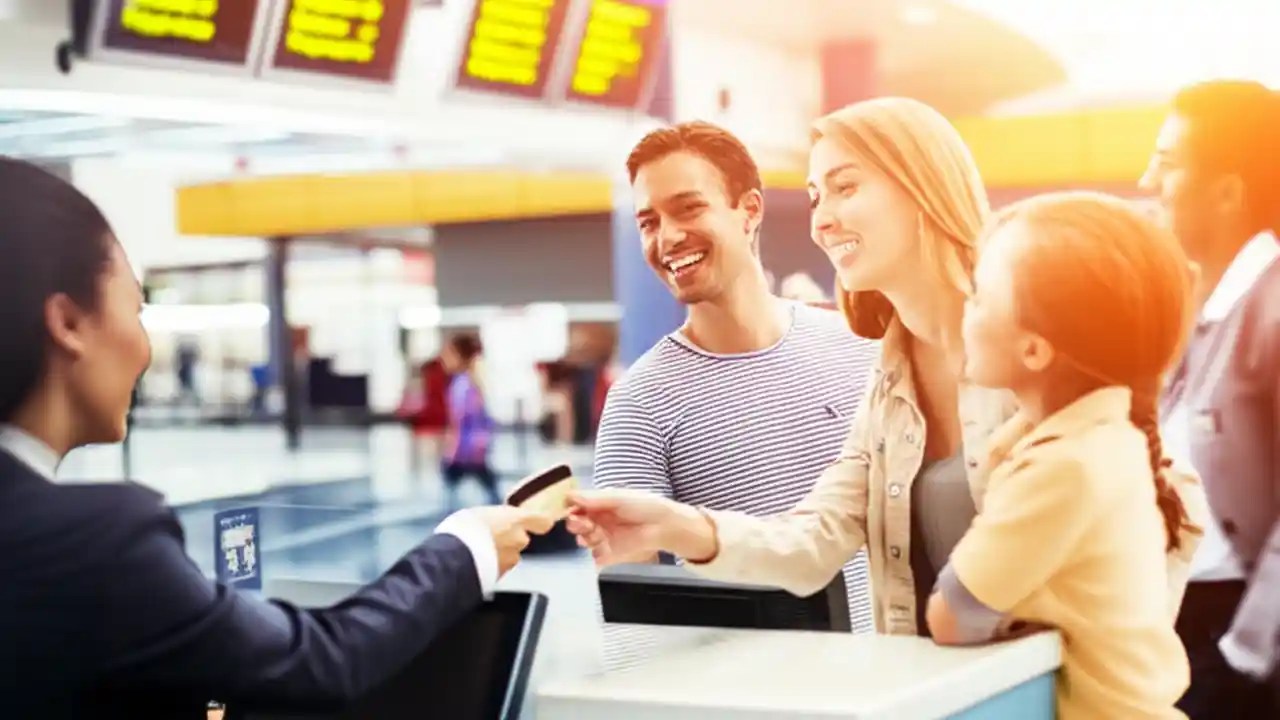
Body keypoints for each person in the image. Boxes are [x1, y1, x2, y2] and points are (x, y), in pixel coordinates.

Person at [567, 97, 1204, 638]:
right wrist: (684, 527)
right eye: (817, 195)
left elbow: (1157, 501)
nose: (821, 220)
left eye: (845, 188)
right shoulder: (888, 373)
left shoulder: (1033, 340)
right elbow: (815, 539)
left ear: (922, 185)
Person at [0, 157, 554, 718]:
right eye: (137, 308)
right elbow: (322, 662)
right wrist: (468, 546)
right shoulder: (98, 542)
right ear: (68, 324)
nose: (143, 347)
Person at [592, 120, 879, 631]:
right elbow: (633, 624)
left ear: (749, 210)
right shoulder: (638, 406)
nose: (668, 237)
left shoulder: (859, 348)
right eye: (648, 222)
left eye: (688, 208)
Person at [925, 191, 1200, 718]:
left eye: (980, 296)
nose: (966, 304)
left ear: (1033, 350)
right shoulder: (1105, 443)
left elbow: (951, 617)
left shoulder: (1063, 468)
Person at [1140, 79, 1280, 715]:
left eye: (1166, 164)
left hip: (1238, 642)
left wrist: (1243, 655)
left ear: (1228, 191)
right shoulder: (1209, 310)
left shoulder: (1270, 312)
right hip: (1184, 627)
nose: (1147, 181)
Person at [441, 333, 502, 508]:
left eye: (448, 355)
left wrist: (452, 447)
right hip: (476, 443)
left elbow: (459, 418)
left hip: (466, 446)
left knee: (453, 482)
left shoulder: (462, 384)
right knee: (485, 479)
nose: (444, 360)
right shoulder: (471, 380)